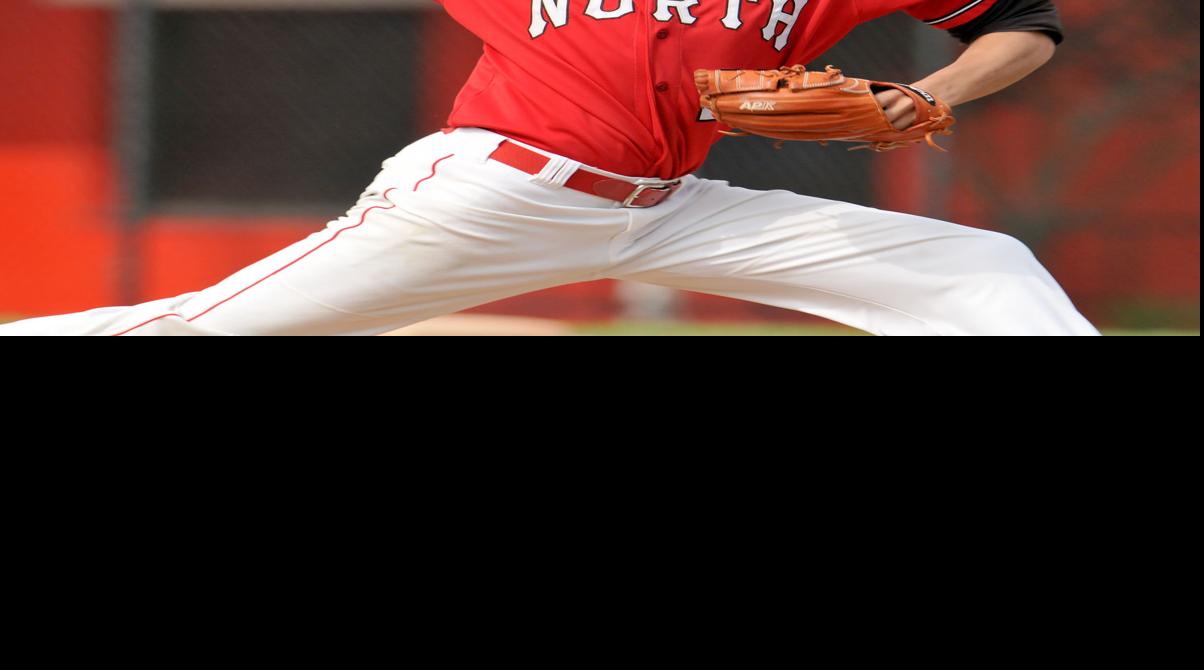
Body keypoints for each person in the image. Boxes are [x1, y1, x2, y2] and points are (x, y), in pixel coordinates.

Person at [0, 0, 1098, 336]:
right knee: (201, 332)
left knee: (980, 268)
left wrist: (925, 96)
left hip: (673, 208)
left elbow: (1022, 20)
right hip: (493, 192)